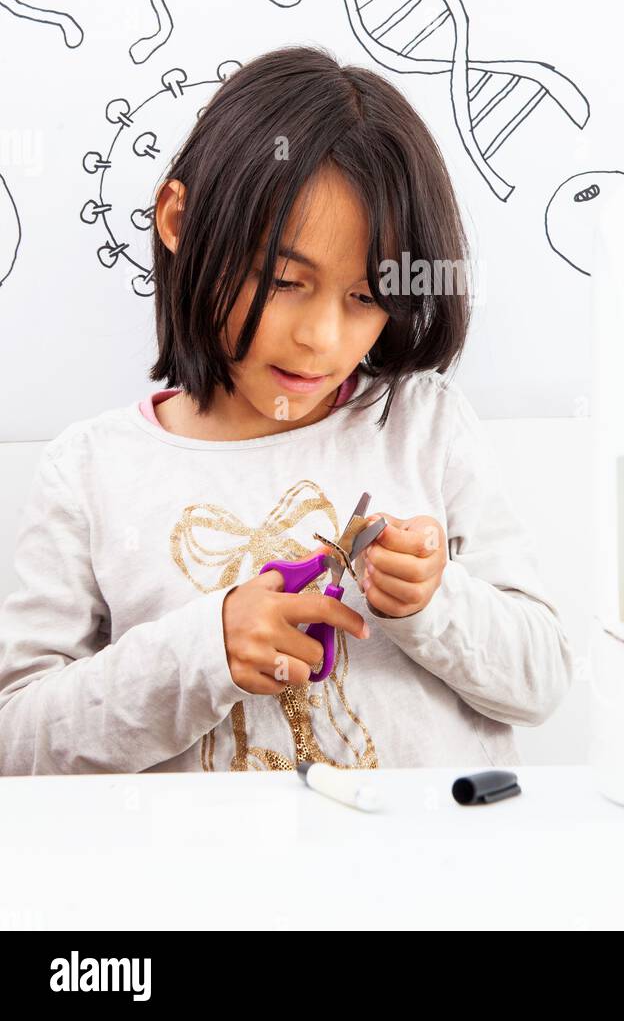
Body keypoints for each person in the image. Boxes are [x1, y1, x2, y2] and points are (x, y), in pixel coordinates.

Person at [0, 46, 572, 773]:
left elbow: (543, 681)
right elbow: (17, 745)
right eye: (281, 279)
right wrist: (208, 649)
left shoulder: (424, 425)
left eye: (366, 297)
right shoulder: (91, 470)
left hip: (431, 874)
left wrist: (431, 603)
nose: (320, 337)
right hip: (206, 882)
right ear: (179, 218)